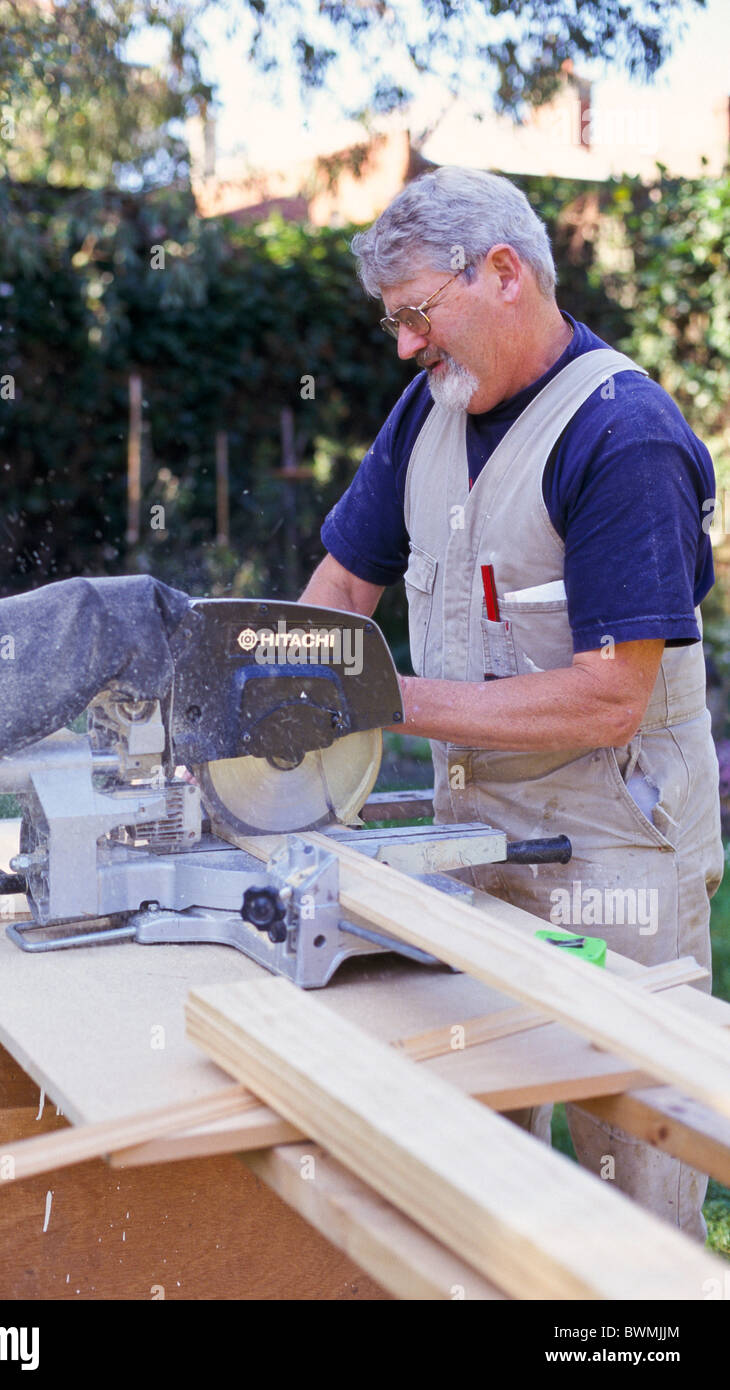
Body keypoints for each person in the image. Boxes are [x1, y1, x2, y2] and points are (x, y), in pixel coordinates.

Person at [300, 165, 723, 1241]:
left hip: (610, 855)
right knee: (477, 1176)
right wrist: (274, 676)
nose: (402, 345)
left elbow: (606, 701)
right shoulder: (429, 410)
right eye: (391, 321)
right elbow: (344, 586)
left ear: (498, 272)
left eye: (413, 316)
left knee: (629, 1188)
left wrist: (375, 697)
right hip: (472, 842)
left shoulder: (622, 437)